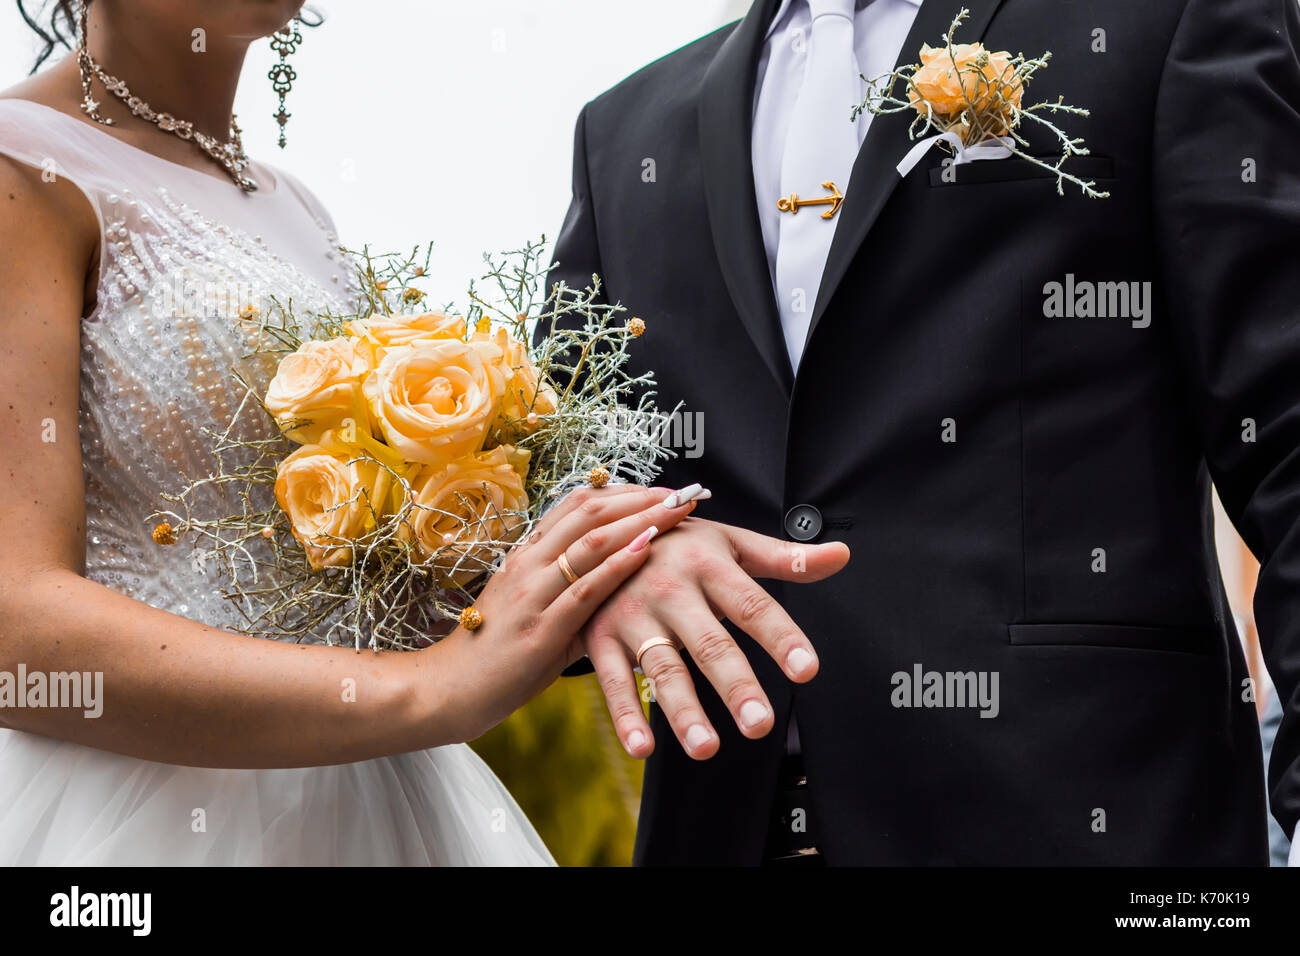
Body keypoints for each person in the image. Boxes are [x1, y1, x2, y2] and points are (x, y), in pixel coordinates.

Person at [549, 0, 1300, 864]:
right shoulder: (620, 133)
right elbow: (565, 473)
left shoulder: (1164, 21)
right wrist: (622, 550)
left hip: (1087, 816)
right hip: (722, 822)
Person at [0, 0, 720, 865]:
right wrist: (424, 690)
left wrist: (564, 566)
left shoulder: (295, 207)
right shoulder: (22, 165)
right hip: (134, 813)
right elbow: (14, 622)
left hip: (365, 791)